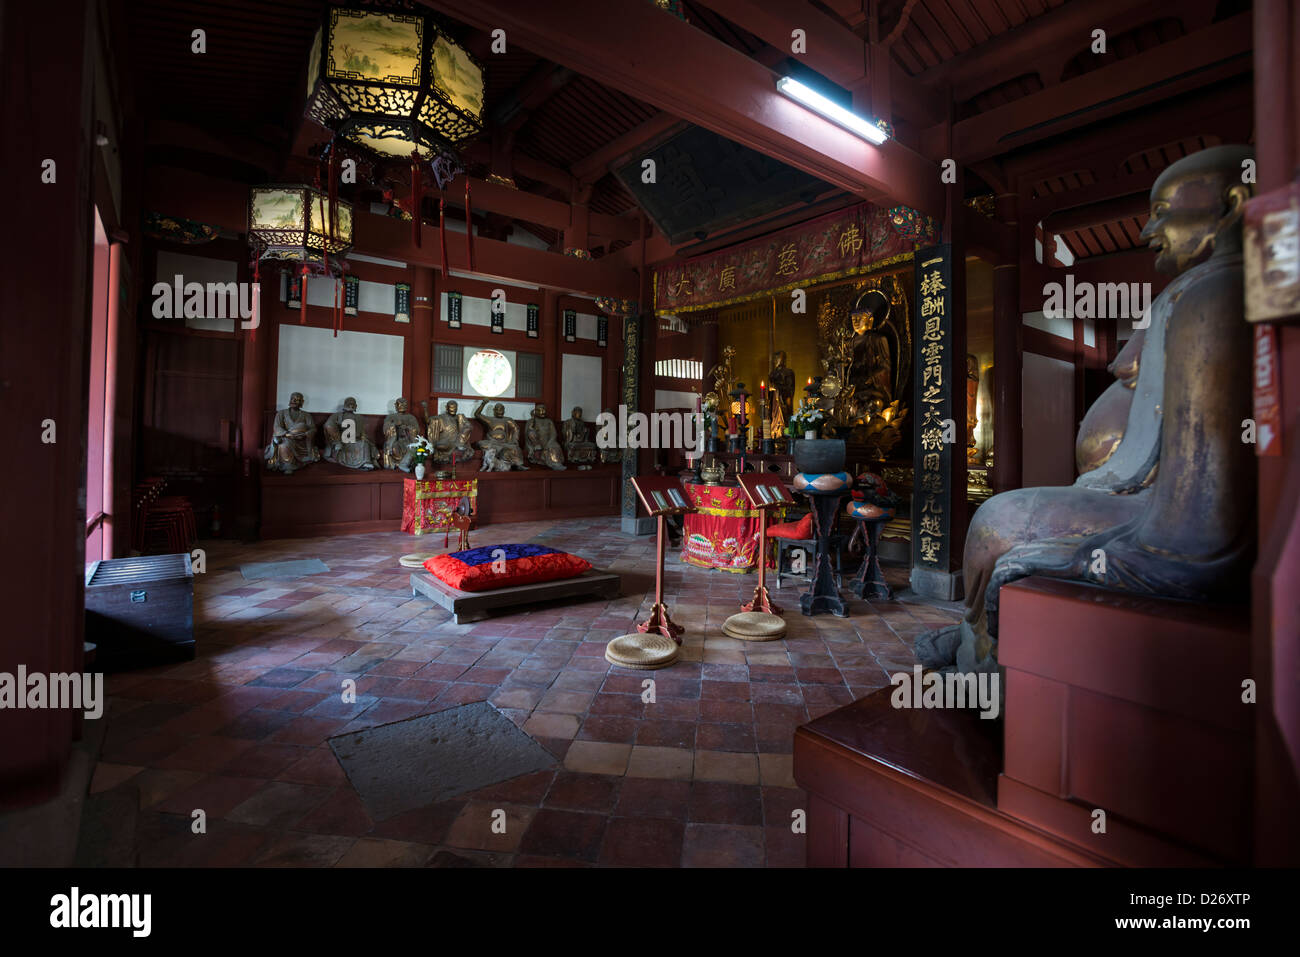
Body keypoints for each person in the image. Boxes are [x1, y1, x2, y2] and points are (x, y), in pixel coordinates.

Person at [265, 391, 319, 473]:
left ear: (302, 402)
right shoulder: (281, 413)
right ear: (290, 400)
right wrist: (287, 434)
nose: (294, 401)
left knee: (301, 425)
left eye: (297, 399)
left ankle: (297, 460)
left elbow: (313, 429)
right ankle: (288, 465)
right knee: (283, 444)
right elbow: (277, 427)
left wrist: (305, 434)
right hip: (285, 437)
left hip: (301, 440)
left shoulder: (306, 415)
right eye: (293, 398)